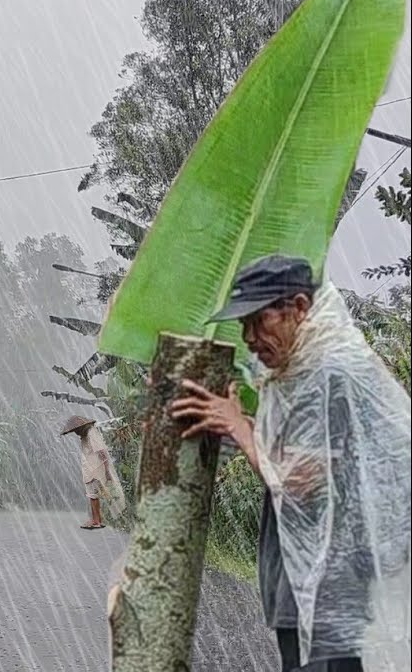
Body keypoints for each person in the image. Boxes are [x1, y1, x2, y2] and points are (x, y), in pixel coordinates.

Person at [170, 255, 410, 672]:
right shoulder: (304, 368)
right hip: (311, 579)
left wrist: (239, 429)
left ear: (299, 308)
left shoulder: (331, 372)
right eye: (243, 324)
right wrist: (239, 420)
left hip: (329, 585)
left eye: (257, 320)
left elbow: (299, 479)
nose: (248, 337)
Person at [61, 415, 125, 530]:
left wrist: (107, 471)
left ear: (81, 427)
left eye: (76, 430)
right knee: (94, 496)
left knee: (95, 495)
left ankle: (97, 520)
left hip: (96, 469)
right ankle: (98, 519)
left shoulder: (91, 433)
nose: (76, 433)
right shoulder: (86, 435)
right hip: (91, 469)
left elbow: (102, 452)